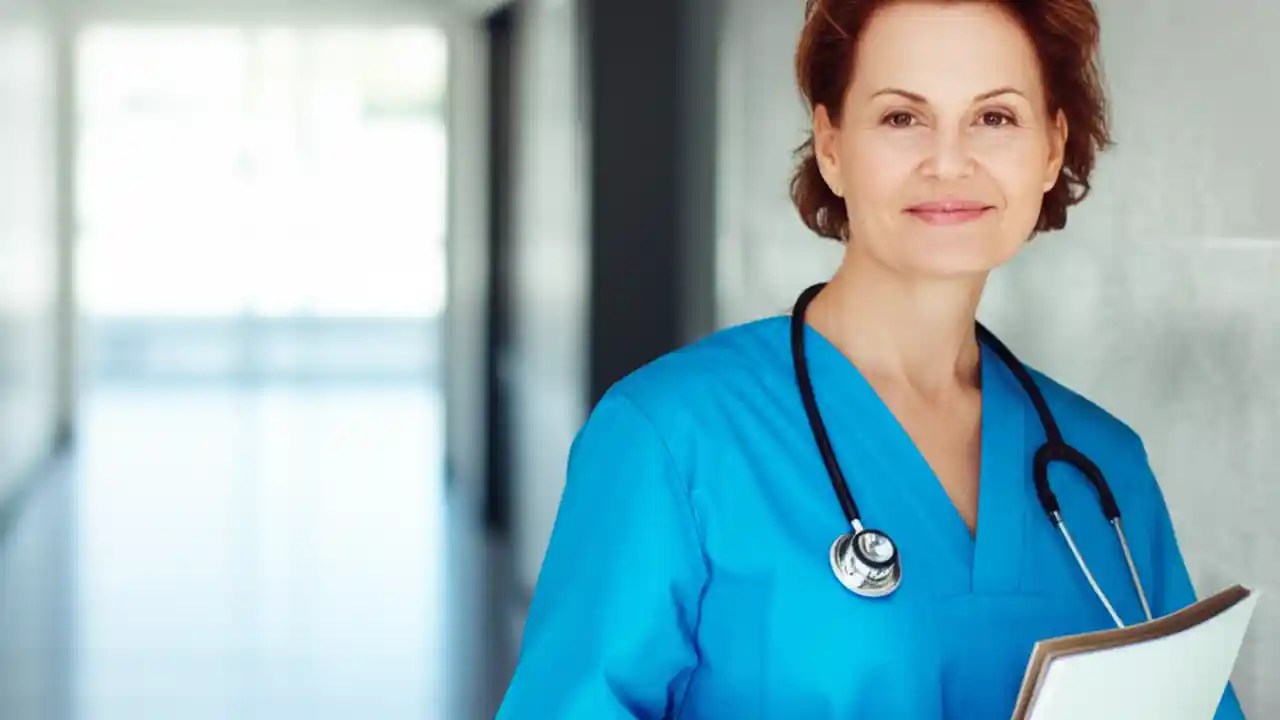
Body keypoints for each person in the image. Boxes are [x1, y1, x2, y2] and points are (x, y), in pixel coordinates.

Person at [495, 0, 1246, 717]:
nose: (948, 162)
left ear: (1051, 148)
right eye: (901, 117)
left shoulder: (1102, 468)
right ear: (831, 147)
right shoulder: (670, 439)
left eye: (993, 117)